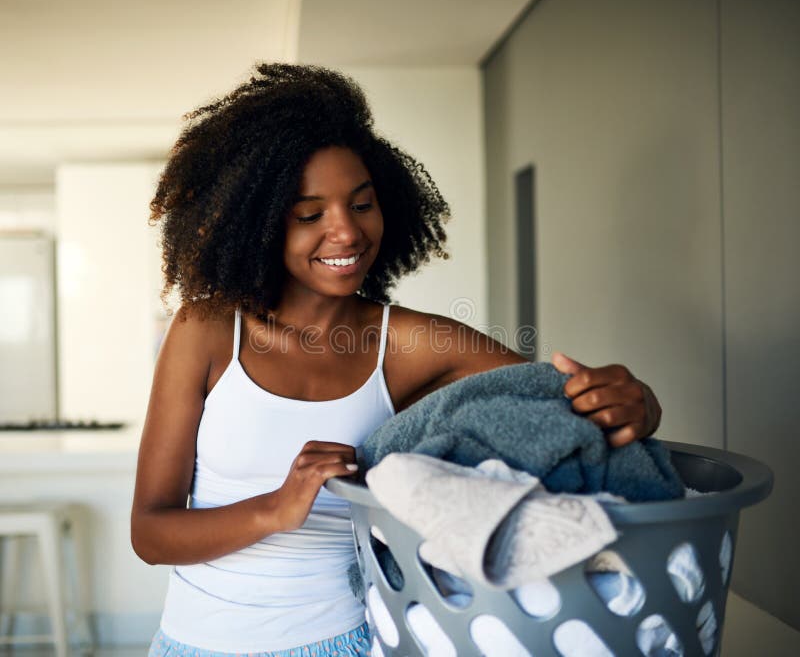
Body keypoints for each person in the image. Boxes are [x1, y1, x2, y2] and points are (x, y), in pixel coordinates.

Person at [131, 63, 662, 657]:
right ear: (256, 224)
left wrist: (637, 402)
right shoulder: (206, 331)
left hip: (351, 640)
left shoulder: (409, 343)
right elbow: (151, 532)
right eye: (310, 215)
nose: (347, 233)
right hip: (194, 643)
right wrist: (277, 509)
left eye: (362, 204)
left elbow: (562, 406)